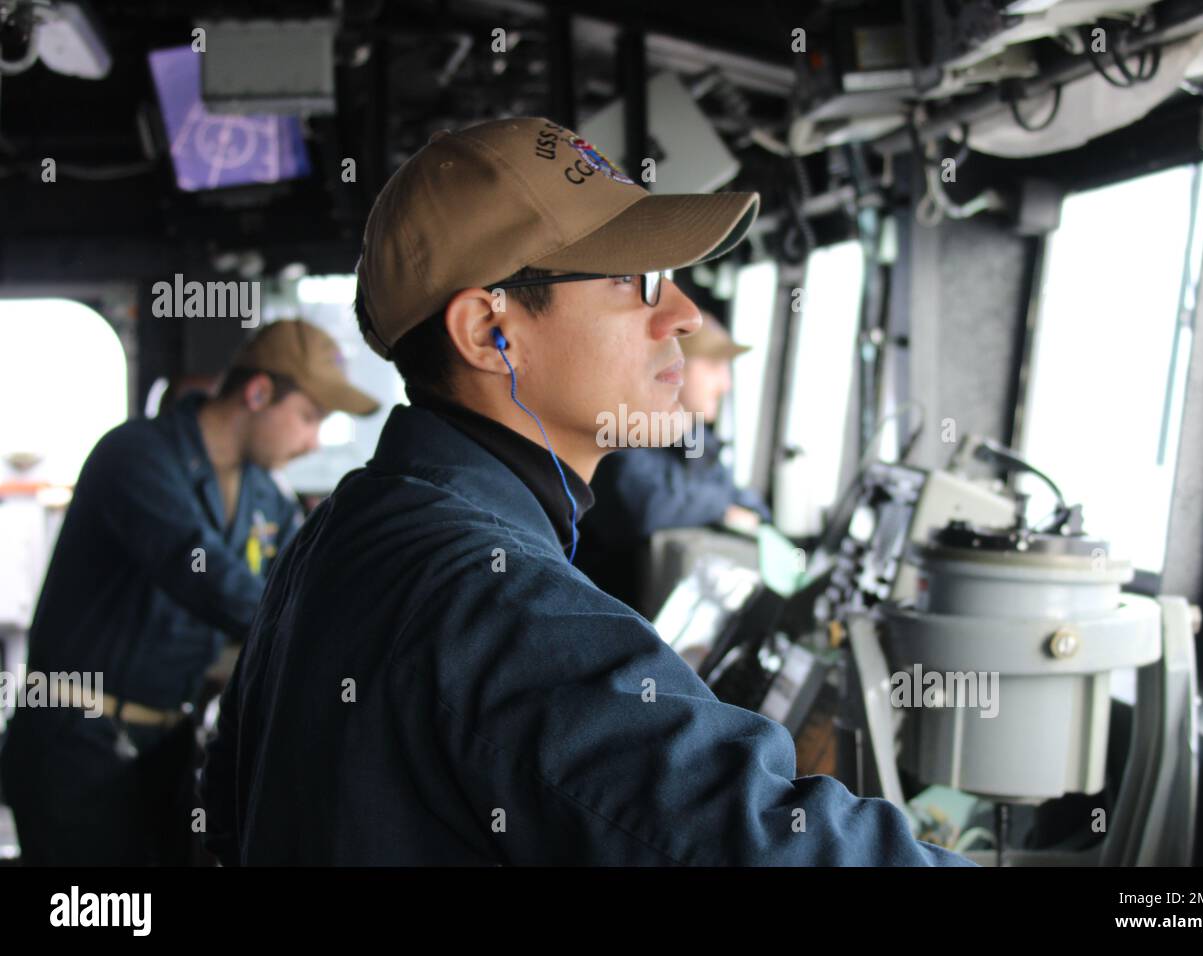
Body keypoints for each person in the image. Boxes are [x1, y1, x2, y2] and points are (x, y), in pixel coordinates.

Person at [199, 117, 974, 866]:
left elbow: (228, 814)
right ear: (487, 333)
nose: (682, 312)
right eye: (630, 280)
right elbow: (758, 842)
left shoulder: (349, 523)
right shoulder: (495, 597)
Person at [0, 318, 379, 865]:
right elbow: (209, 580)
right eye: (308, 416)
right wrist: (334, 650)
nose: (312, 440)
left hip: (164, 748)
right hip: (76, 743)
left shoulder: (262, 497)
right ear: (257, 392)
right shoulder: (136, 456)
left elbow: (292, 589)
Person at [575, 310, 771, 607]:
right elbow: (649, 505)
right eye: (715, 366)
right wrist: (723, 509)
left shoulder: (696, 436)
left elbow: (751, 506)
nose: (725, 384)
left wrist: (726, 507)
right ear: (675, 367)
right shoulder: (625, 428)